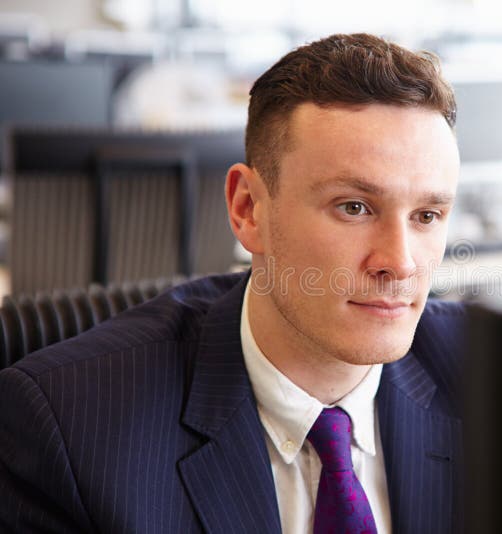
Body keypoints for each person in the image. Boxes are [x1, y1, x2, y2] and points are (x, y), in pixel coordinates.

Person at [0, 33, 465, 533]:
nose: (398, 264)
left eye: (427, 215)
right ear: (248, 209)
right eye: (353, 207)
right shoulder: (69, 430)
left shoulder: (499, 378)